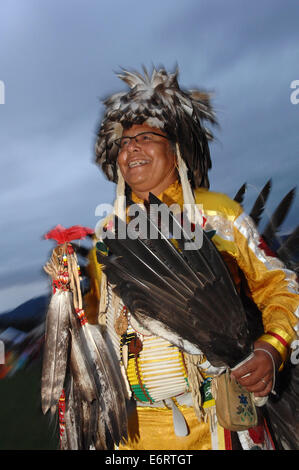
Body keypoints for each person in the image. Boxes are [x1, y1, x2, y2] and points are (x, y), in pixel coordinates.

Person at [84, 67, 298, 451]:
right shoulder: (107, 235)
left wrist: (271, 347)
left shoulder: (216, 215)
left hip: (212, 423)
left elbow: (281, 286)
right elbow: (97, 325)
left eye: (146, 137)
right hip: (129, 429)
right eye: (124, 142)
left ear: (177, 147)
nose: (130, 148)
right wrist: (67, 299)